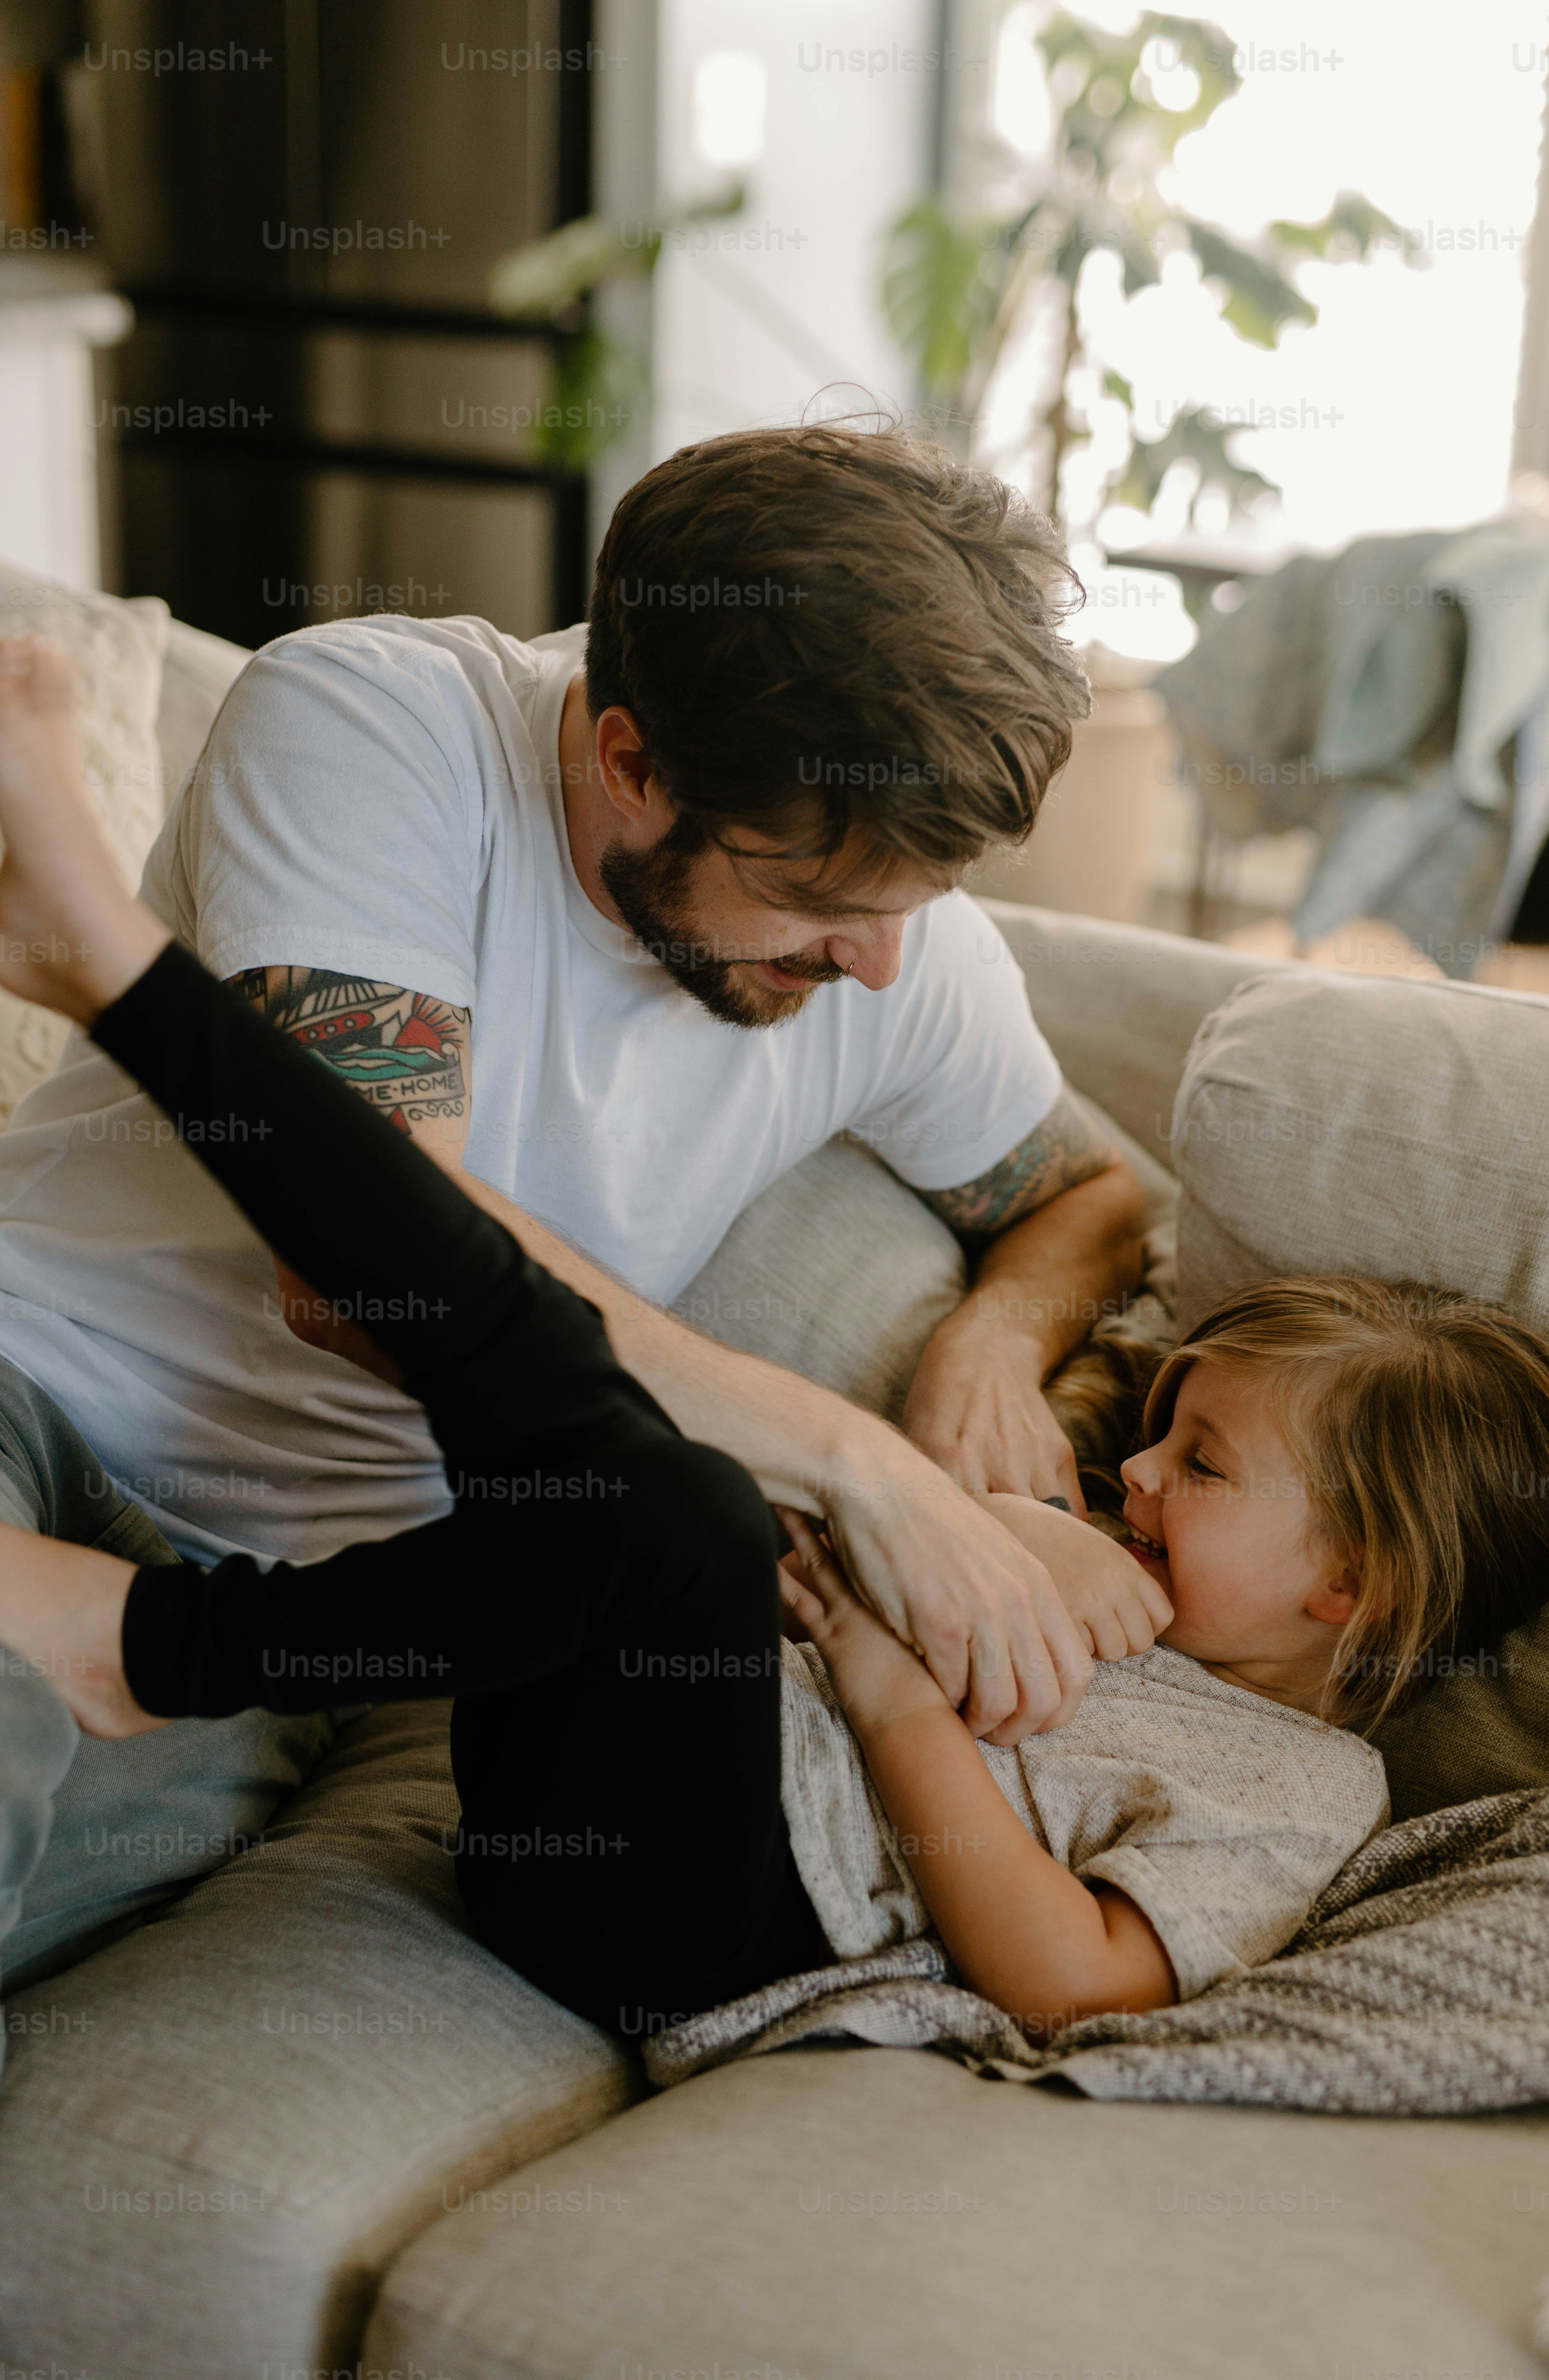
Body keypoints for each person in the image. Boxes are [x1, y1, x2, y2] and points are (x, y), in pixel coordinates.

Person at [2, 636, 1549, 2044]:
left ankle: (151, 1630)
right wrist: (940, 1506)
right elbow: (370, 1292)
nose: (1145, 1472)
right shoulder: (387, 727)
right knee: (611, 1432)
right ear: (631, 761)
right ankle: (113, 981)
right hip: (513, 1700)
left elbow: (1069, 1979)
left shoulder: (1310, 1785)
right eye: (1168, 1433)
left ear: (1349, 1586)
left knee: (659, 1492)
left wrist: (904, 1636)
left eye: (1206, 1462)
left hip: (695, 1922)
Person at [0, 420, 1147, 1748]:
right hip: (40, 1388)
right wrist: (863, 1465)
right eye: (818, 901)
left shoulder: (901, 952)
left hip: (326, 1618)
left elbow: (1093, 1195)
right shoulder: (378, 729)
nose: (881, 967)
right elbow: (363, 1260)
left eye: (923, 904)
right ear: (631, 764)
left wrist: (996, 1345)